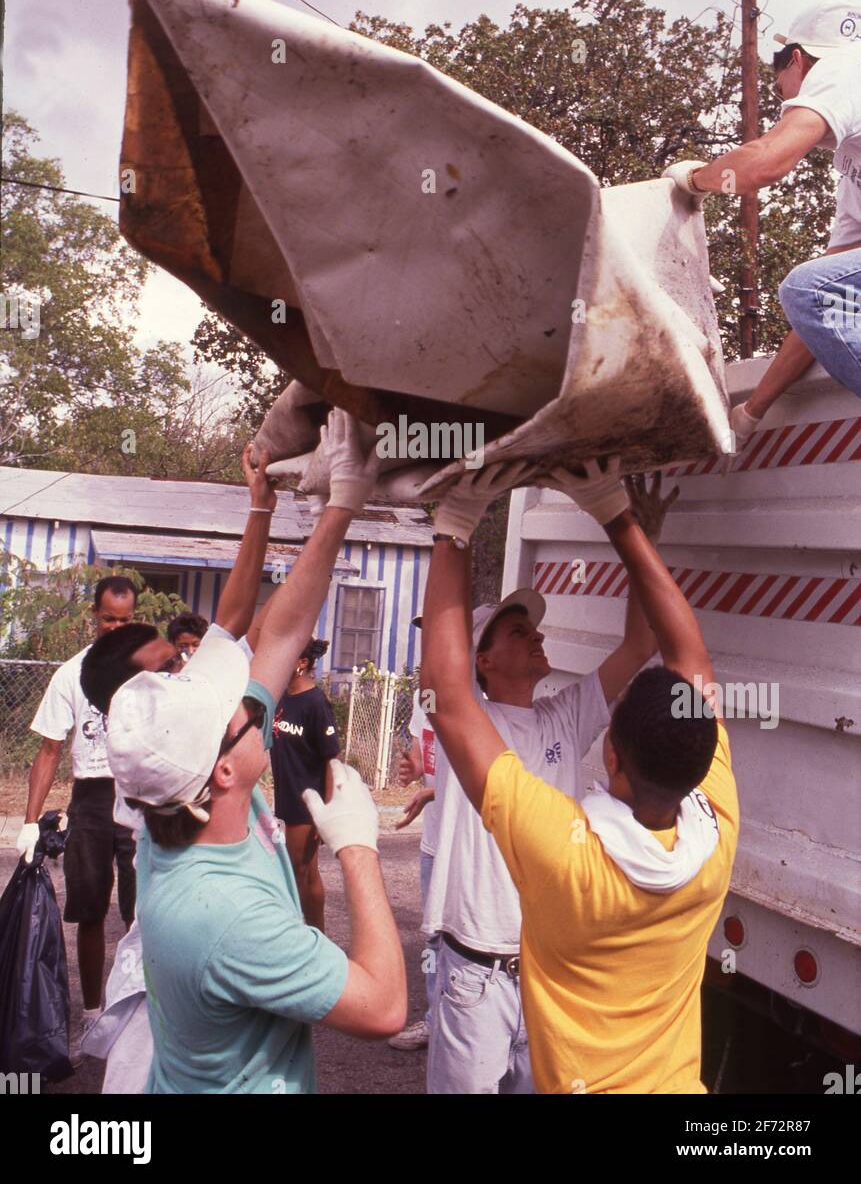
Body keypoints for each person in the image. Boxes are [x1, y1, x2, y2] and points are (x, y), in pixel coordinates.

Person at [94, 411, 407, 1092]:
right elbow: (384, 1007)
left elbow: (281, 627)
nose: (253, 700)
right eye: (235, 711)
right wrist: (358, 848)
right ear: (228, 768)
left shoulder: (179, 801)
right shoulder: (226, 919)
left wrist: (340, 502)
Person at [421, 457, 739, 1094]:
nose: (537, 635)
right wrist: (627, 526)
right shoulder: (714, 831)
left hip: (541, 969)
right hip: (477, 971)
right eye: (518, 631)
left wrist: (454, 522)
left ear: (612, 755)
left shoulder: (561, 738)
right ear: (481, 658)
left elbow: (640, 650)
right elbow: (447, 691)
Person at [78, 443, 281, 1088]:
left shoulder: (171, 727)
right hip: (170, 977)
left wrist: (260, 507)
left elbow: (231, 620)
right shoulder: (163, 756)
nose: (184, 671)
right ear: (129, 700)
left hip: (198, 957)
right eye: (168, 666)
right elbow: (250, 628)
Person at [663, 3, 861, 442]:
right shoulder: (854, 171)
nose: (785, 100)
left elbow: (766, 163)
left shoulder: (846, 66)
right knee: (816, 291)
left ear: (797, 58)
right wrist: (753, 410)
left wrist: (694, 180)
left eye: (780, 88)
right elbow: (826, 311)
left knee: (805, 286)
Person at [18, 574, 140, 1059]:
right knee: (89, 908)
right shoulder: (70, 673)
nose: (116, 627)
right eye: (108, 618)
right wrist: (30, 822)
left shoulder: (147, 672)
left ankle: (141, 1017)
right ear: (94, 615)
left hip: (136, 796)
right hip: (89, 798)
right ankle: (92, 1017)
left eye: (125, 621)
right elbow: (49, 749)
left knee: (143, 910)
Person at [270, 637, 340, 930]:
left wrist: (326, 814)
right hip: (285, 797)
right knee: (307, 873)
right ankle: (317, 937)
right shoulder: (282, 698)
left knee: (295, 874)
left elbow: (331, 760)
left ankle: (299, 938)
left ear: (302, 663)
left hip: (307, 804)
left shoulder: (316, 703)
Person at [388, 661, 440, 1052]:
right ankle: (434, 1021)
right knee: (434, 938)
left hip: (473, 844)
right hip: (434, 843)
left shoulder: (487, 700)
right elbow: (428, 764)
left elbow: (492, 776)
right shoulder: (427, 699)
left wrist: (435, 793)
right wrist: (414, 772)